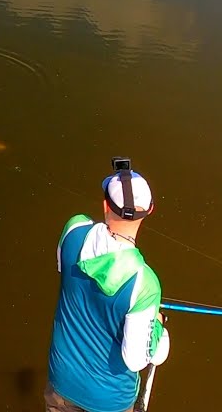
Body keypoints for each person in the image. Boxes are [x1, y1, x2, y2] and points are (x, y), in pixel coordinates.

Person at [46, 160, 170, 412]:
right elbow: (138, 359)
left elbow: (65, 268)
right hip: (109, 402)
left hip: (61, 384)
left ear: (105, 205)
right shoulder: (145, 283)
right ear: (150, 210)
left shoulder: (74, 229)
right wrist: (158, 325)